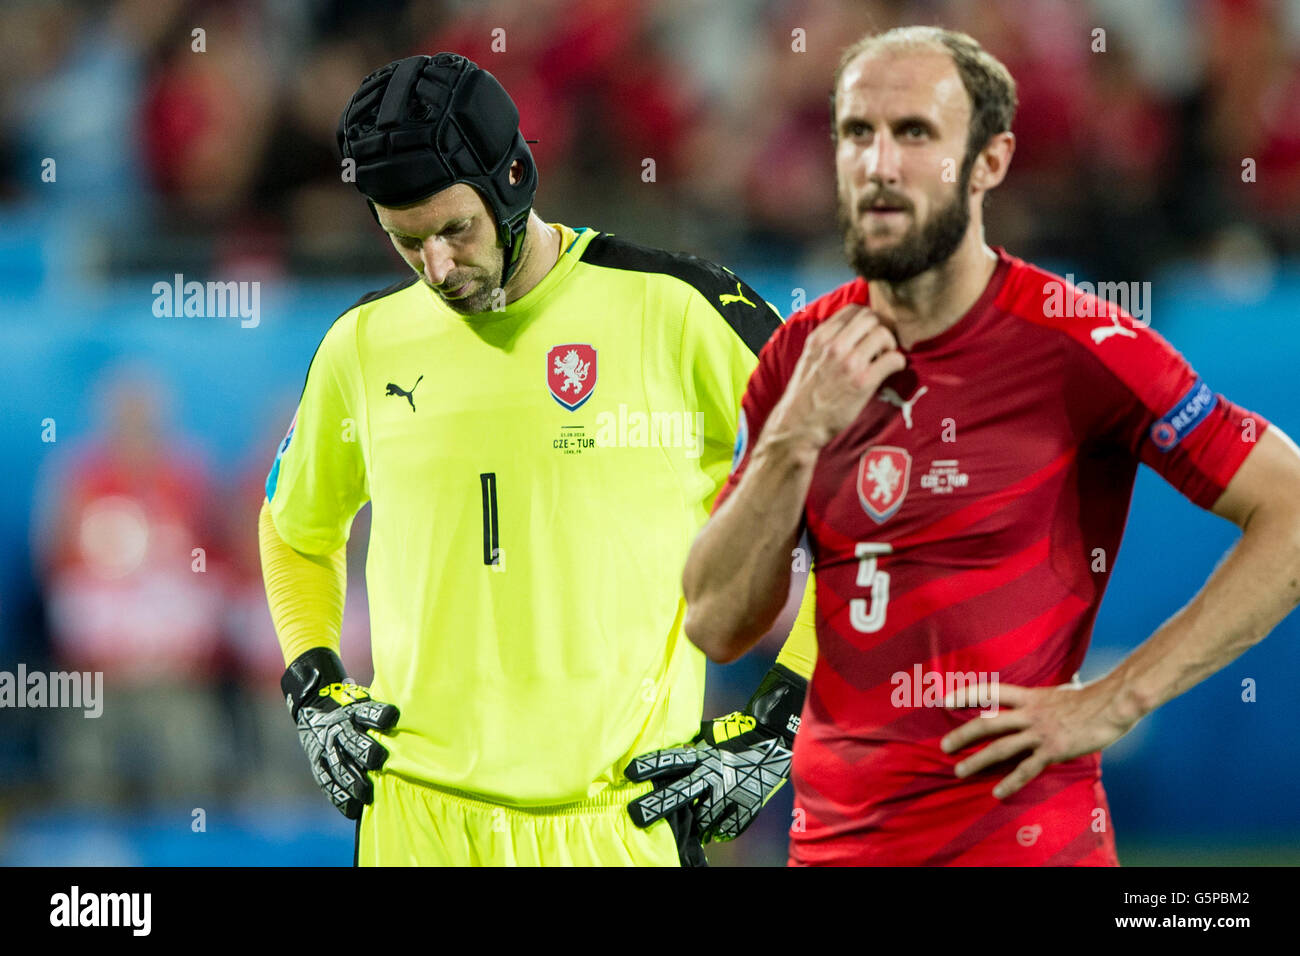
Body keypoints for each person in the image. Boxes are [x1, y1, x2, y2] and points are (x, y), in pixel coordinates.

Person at [681, 26, 1300, 866]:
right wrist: (794, 438)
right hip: (835, 848)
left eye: (914, 133)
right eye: (857, 133)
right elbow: (716, 622)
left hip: (1025, 845)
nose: (879, 164)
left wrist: (1117, 700)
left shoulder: (1077, 345)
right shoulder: (801, 355)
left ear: (990, 160)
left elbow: (1290, 509)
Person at [259, 53, 816, 866]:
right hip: (412, 828)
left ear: (514, 177)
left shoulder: (681, 309)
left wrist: (785, 710)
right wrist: (312, 681)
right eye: (405, 241)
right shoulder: (362, 344)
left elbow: (868, 508)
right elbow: (296, 530)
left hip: (619, 827)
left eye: (456, 229)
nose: (438, 269)